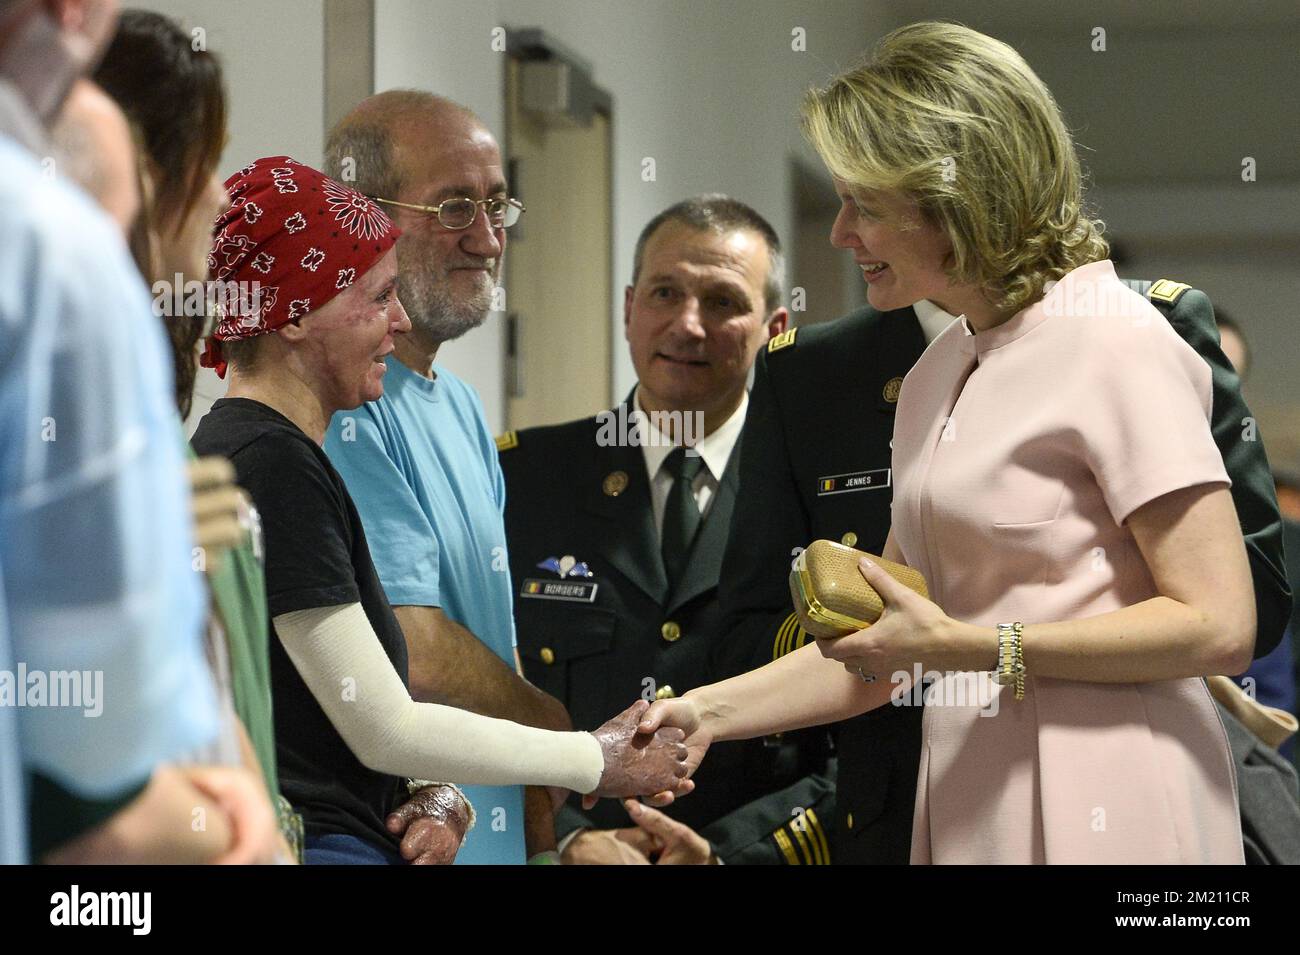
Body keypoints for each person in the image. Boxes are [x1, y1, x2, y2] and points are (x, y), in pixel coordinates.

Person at [646, 21, 1260, 864]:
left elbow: (1219, 621)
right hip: (975, 784)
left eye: (865, 203)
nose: (841, 232)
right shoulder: (942, 368)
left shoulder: (1117, 338)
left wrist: (976, 645)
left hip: (1120, 792)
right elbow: (889, 645)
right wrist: (701, 713)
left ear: (956, 198)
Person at [192, 156, 689, 865]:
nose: (397, 322)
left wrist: (431, 789)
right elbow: (380, 725)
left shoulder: (261, 453)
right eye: (378, 297)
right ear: (296, 314)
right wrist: (592, 757)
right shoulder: (273, 465)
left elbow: (315, 715)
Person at [0, 0, 273, 864]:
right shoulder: (48, 253)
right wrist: (232, 820)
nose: (224, 192)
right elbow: (101, 756)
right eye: (208, 160)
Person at [500, 196, 836, 864]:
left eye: (721, 302)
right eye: (665, 292)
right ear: (629, 307)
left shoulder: (822, 493)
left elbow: (858, 732)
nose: (688, 324)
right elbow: (481, 700)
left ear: (774, 327)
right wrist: (569, 835)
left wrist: (724, 852)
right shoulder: (522, 478)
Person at [322, 91, 569, 864]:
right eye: (455, 207)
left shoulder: (461, 406)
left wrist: (538, 801)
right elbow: (413, 645)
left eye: (498, 204)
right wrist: (550, 724)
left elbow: (495, 635)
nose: (490, 239)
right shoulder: (344, 401)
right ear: (363, 215)